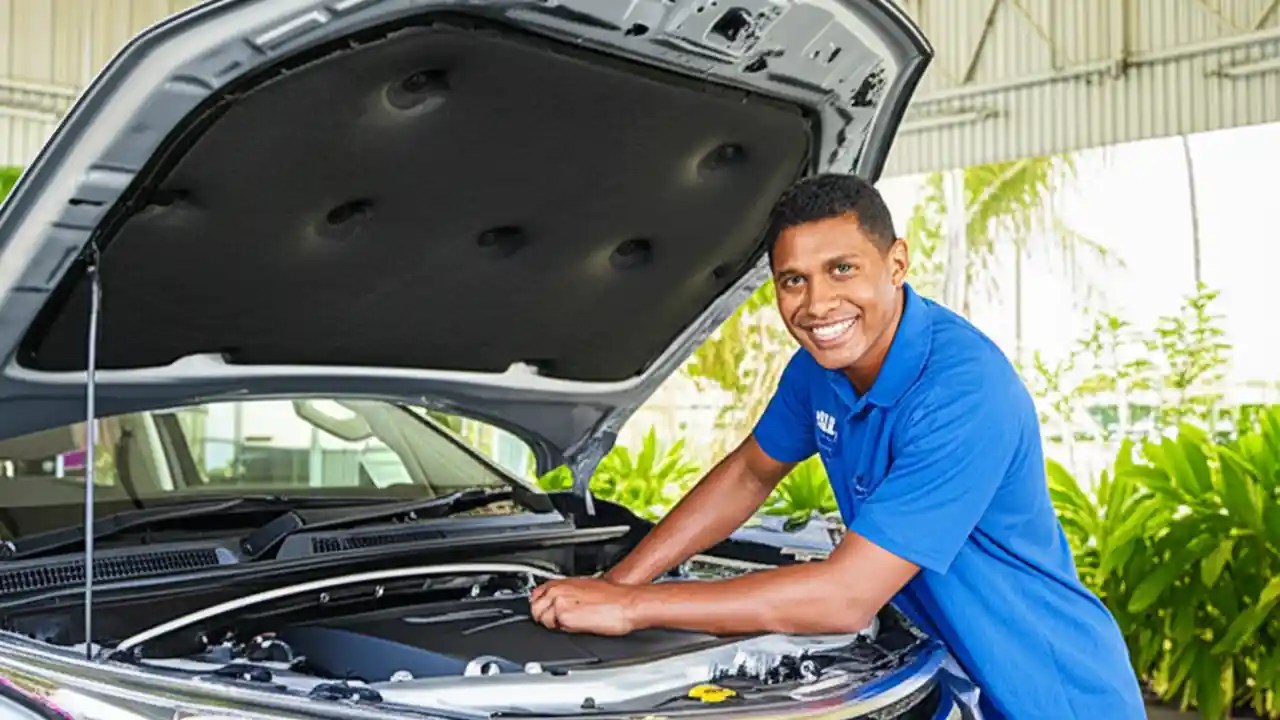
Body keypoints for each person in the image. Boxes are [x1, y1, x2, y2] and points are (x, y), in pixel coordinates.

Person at [529, 173, 1145, 718]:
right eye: (793, 280)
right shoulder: (818, 369)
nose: (817, 304)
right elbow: (750, 471)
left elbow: (845, 598)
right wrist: (621, 581)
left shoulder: (962, 391)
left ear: (897, 263)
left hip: (1052, 688)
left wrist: (639, 609)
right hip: (947, 678)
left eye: (842, 269)